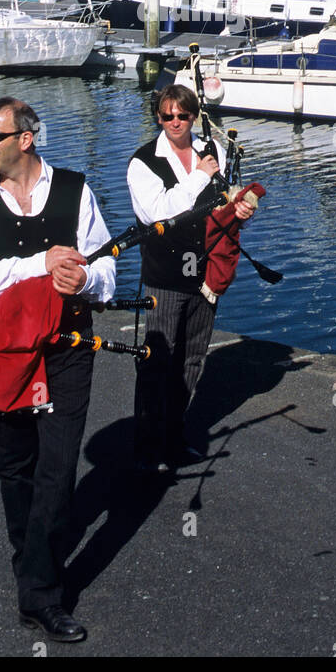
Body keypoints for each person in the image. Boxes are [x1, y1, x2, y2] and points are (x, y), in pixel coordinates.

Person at [0, 95, 115, 642]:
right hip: (5, 349)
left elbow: (105, 264)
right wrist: (38, 267)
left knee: (57, 472)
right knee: (15, 467)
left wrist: (83, 282)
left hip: (68, 346)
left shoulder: (75, 191)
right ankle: (30, 561)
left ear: (26, 139)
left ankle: (40, 596)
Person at [127, 83, 256, 473]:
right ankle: (148, 447)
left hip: (205, 271)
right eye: (168, 116)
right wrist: (199, 177)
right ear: (158, 117)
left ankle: (174, 436)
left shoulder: (209, 150)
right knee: (158, 359)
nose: (176, 122)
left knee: (192, 357)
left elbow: (218, 201)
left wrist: (238, 206)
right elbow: (159, 214)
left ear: (194, 115)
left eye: (184, 115)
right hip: (166, 273)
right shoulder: (143, 163)